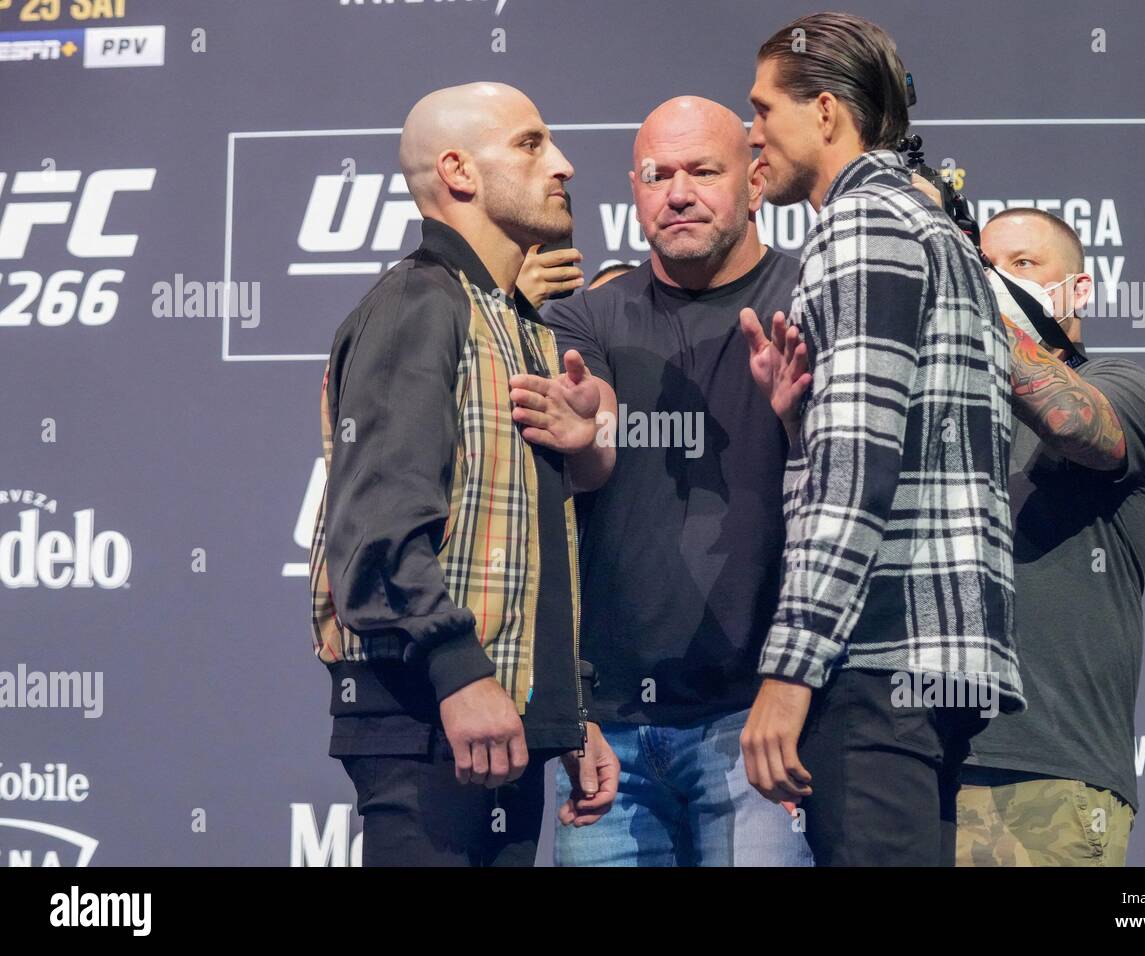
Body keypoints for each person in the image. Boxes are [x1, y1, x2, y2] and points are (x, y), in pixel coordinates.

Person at [308, 82, 618, 866]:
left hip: (497, 723)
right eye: (530, 143)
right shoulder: (419, 303)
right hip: (429, 724)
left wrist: (563, 709)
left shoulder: (516, 323)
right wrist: (457, 673)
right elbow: (374, 536)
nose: (564, 165)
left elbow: (523, 546)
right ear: (458, 171)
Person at [740, 12, 1023, 866]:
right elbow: (923, 448)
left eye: (762, 109)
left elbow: (858, 473)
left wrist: (791, 671)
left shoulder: (860, 223)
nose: (752, 132)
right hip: (941, 662)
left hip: (874, 658)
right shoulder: (942, 230)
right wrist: (801, 422)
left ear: (825, 113)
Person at [529, 95, 813, 866]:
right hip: (609, 730)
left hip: (760, 719)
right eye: (658, 174)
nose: (677, 192)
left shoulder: (813, 301)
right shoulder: (585, 321)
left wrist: (799, 422)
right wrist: (591, 435)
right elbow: (595, 448)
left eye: (703, 171)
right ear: (634, 188)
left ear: (756, 183)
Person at [957, 208, 1145, 866]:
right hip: (927, 768)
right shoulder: (944, 415)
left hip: (1050, 777)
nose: (999, 281)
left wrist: (969, 302)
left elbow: (1075, 424)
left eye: (1023, 265)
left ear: (1079, 289)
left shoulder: (1124, 388)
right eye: (985, 267)